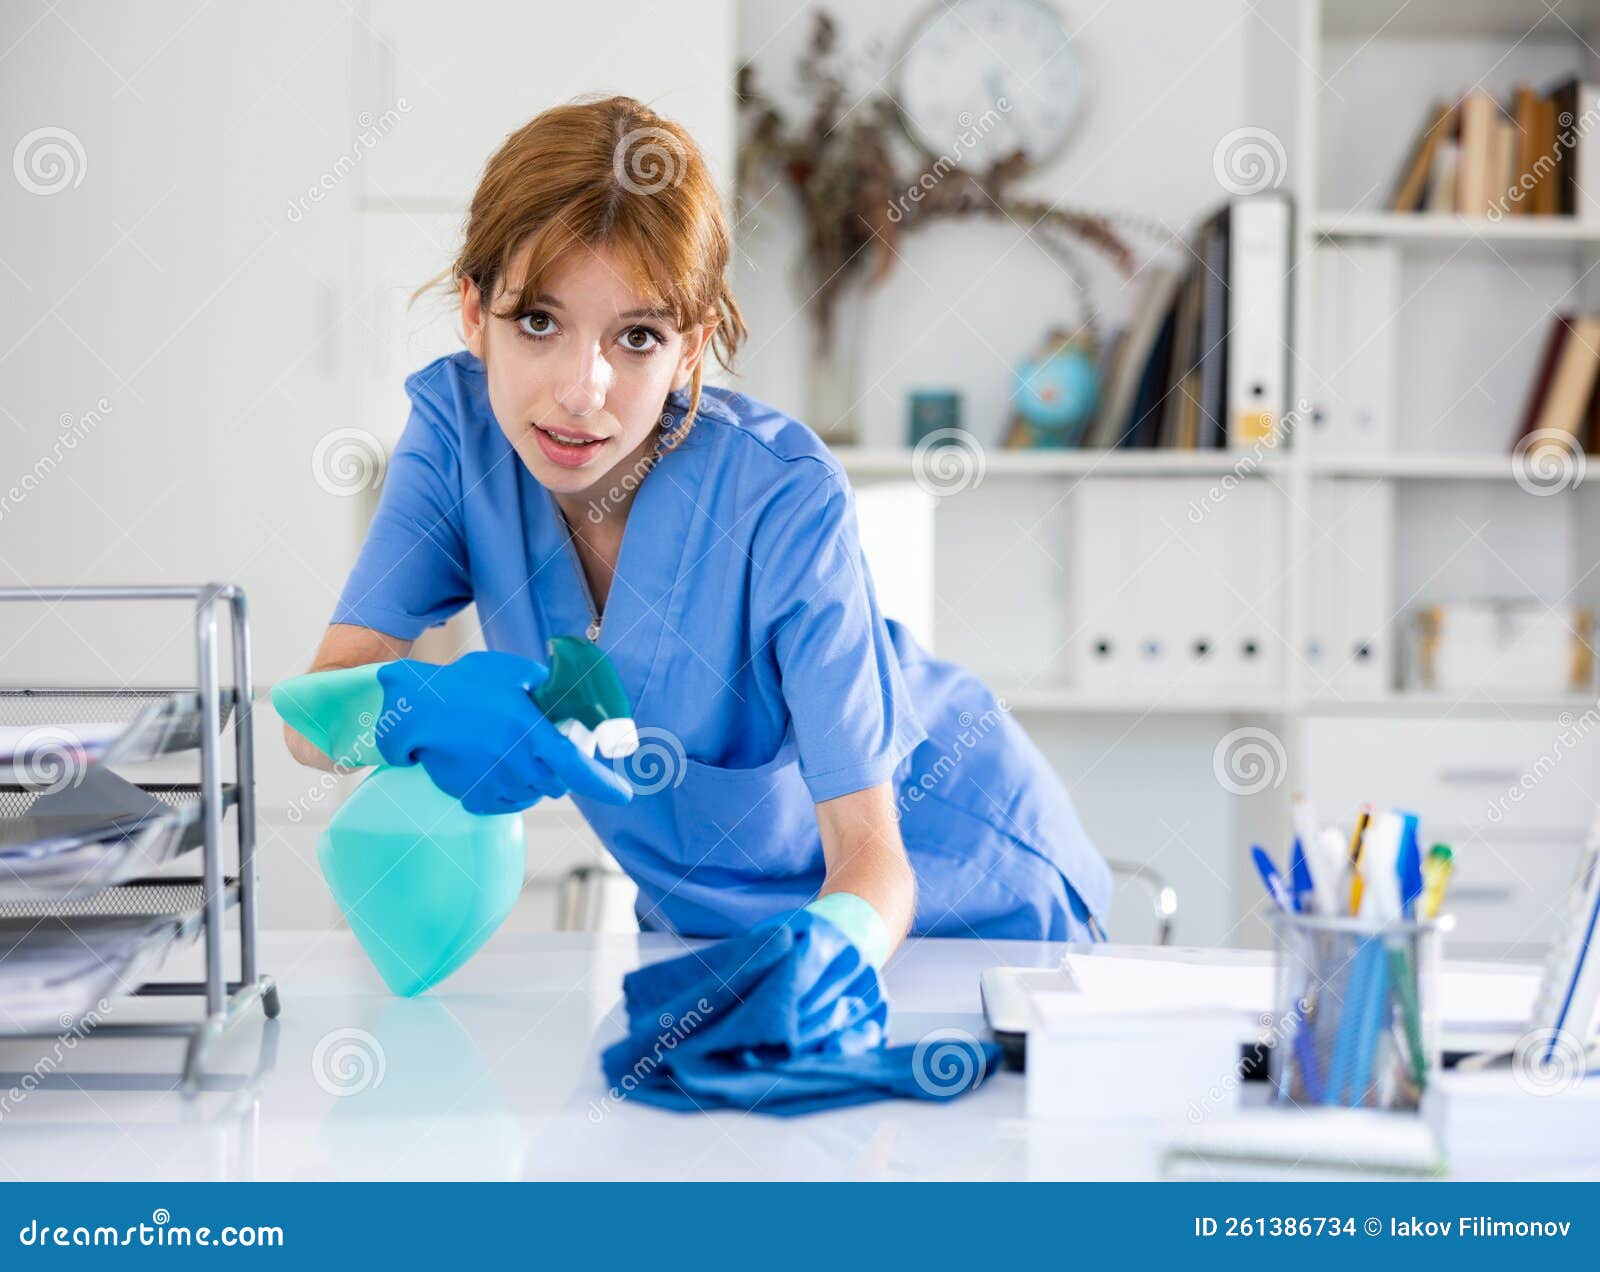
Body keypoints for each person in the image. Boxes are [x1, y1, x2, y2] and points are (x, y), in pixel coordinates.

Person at [284, 95, 1112, 969]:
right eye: (538, 321)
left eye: (637, 336)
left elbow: (873, 858)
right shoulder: (459, 439)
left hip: (959, 902)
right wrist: (408, 705)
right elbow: (309, 725)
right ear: (471, 311)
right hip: (715, 932)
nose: (581, 389)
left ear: (692, 349)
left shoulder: (780, 498)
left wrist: (828, 960)